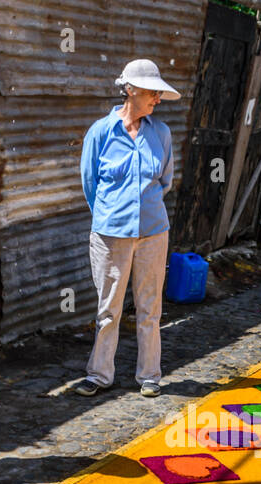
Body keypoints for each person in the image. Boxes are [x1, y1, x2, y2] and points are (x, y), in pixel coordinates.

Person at [73, 59, 178, 397]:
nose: (157, 99)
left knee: (150, 307)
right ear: (130, 90)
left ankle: (149, 376)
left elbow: (164, 180)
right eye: (152, 92)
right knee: (109, 309)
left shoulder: (160, 133)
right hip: (109, 234)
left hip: (153, 232)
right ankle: (100, 374)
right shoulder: (100, 132)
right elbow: (90, 184)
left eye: (159, 94)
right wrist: (111, 214)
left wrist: (140, 209)